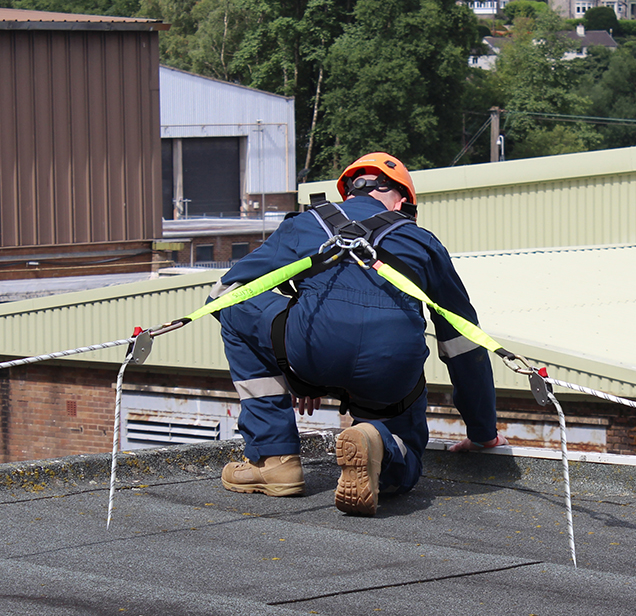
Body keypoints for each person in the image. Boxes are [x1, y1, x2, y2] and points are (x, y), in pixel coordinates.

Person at [213, 152, 506, 516]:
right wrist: (483, 432)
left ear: (348, 193)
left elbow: (223, 292)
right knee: (404, 444)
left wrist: (296, 372)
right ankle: (380, 443)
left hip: (310, 348)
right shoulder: (423, 242)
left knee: (233, 306)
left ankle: (272, 458)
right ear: (402, 202)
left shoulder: (306, 224)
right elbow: (463, 343)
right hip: (390, 369)